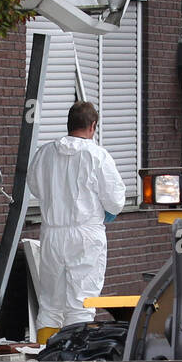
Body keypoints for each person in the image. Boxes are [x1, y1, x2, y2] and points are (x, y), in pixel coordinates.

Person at [26, 101, 126, 345]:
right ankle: (73, 360)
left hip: (52, 233)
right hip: (85, 235)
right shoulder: (97, 155)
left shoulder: (45, 153)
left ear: (69, 124)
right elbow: (115, 201)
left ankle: (44, 355)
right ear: (93, 126)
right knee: (81, 303)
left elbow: (35, 187)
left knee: (50, 303)